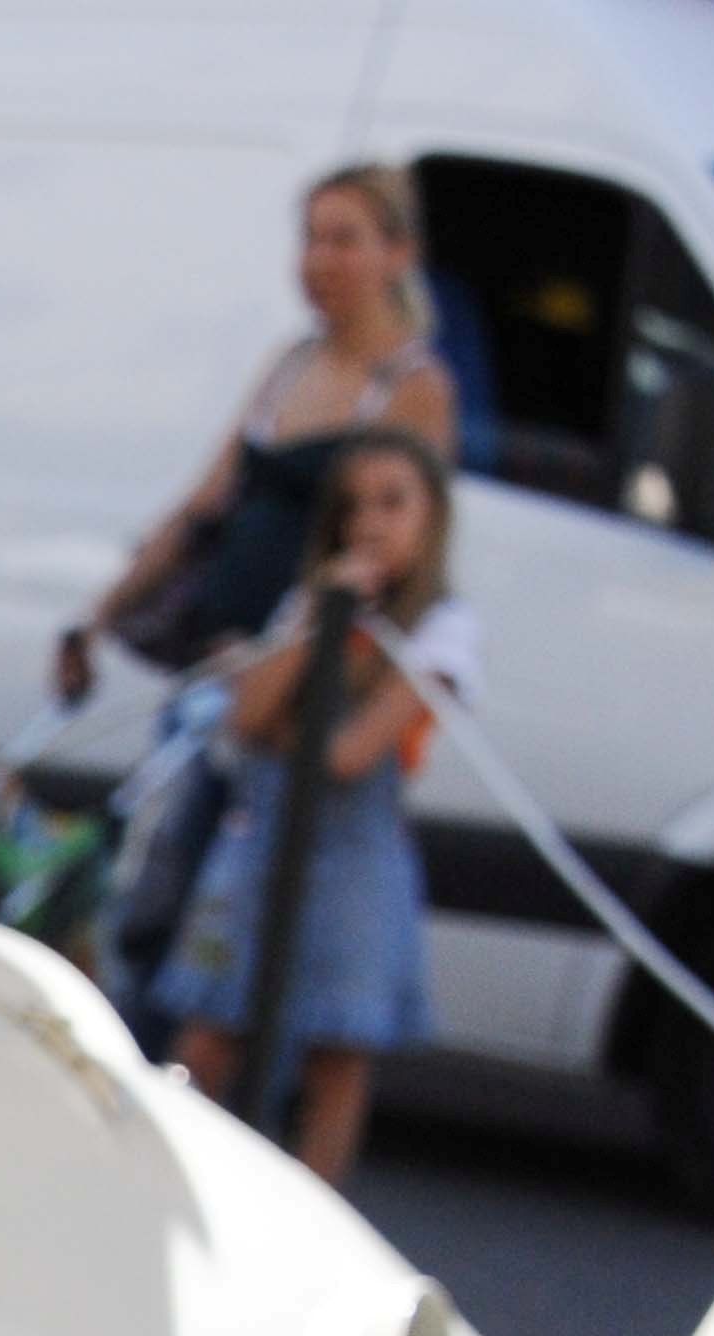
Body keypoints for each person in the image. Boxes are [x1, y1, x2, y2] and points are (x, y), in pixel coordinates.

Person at [56, 164, 456, 975]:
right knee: (150, 887)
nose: (319, 259)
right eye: (310, 238)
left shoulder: (412, 386)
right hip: (215, 661)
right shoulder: (290, 362)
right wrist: (100, 613)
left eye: (343, 238)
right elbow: (207, 502)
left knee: (223, 915)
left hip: (292, 691)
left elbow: (411, 542)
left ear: (396, 253)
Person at [146, 426, 476, 1186]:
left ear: (432, 519)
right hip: (262, 842)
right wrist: (322, 619)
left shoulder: (444, 629)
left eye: (392, 504)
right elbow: (245, 716)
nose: (369, 524)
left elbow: (352, 753)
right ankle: (180, 1188)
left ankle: (309, 1223)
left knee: (335, 1060)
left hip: (355, 866)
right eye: (353, 506)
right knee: (207, 1042)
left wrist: (278, 721)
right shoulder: (311, 601)